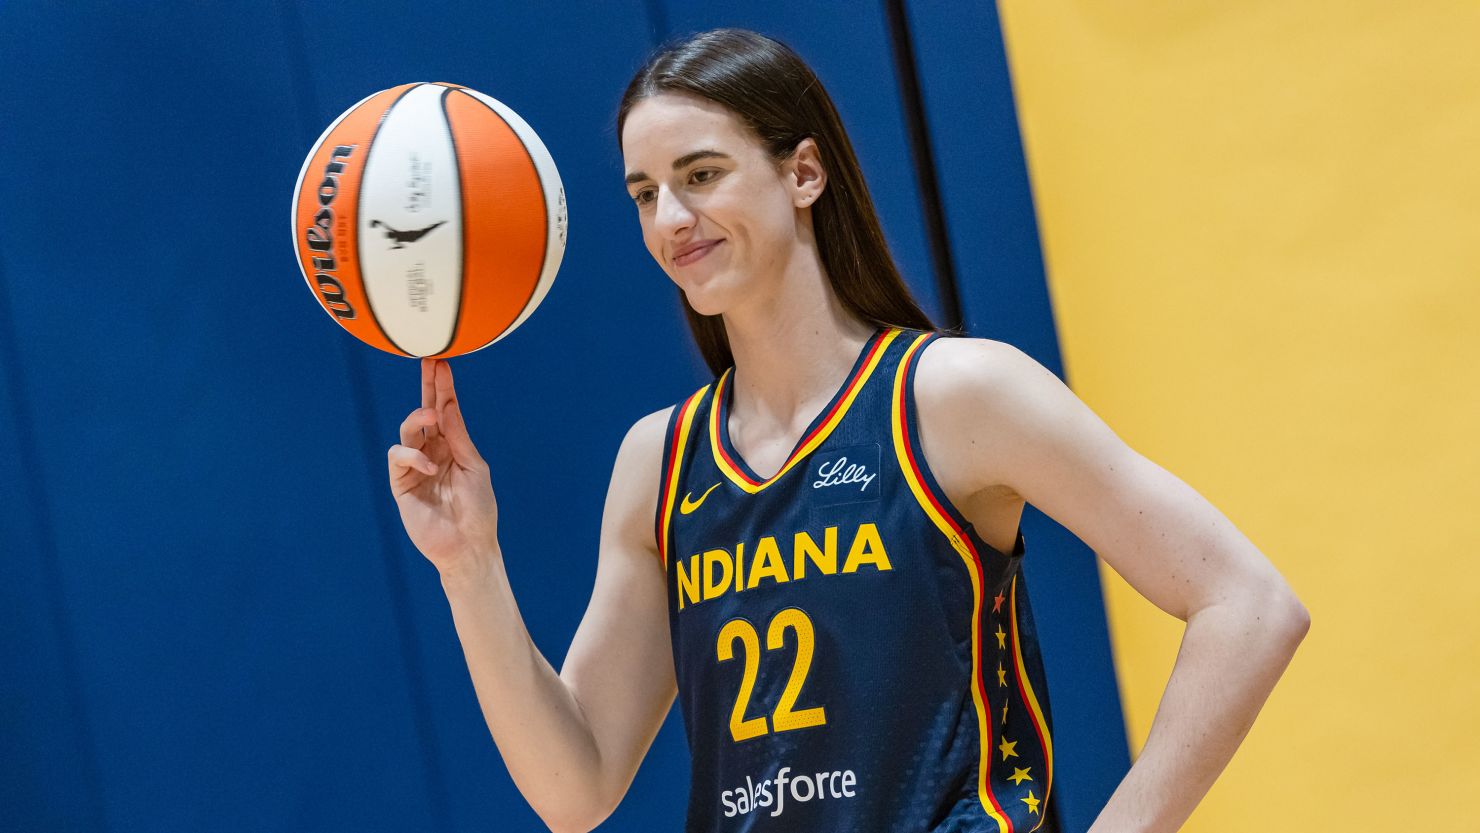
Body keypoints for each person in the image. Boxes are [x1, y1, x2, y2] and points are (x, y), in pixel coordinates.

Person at [385, 28, 1309, 833]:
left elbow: (1250, 605)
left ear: (804, 172)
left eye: (700, 175)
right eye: (643, 193)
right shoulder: (659, 461)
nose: (671, 218)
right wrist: (470, 566)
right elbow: (574, 786)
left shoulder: (953, 395)